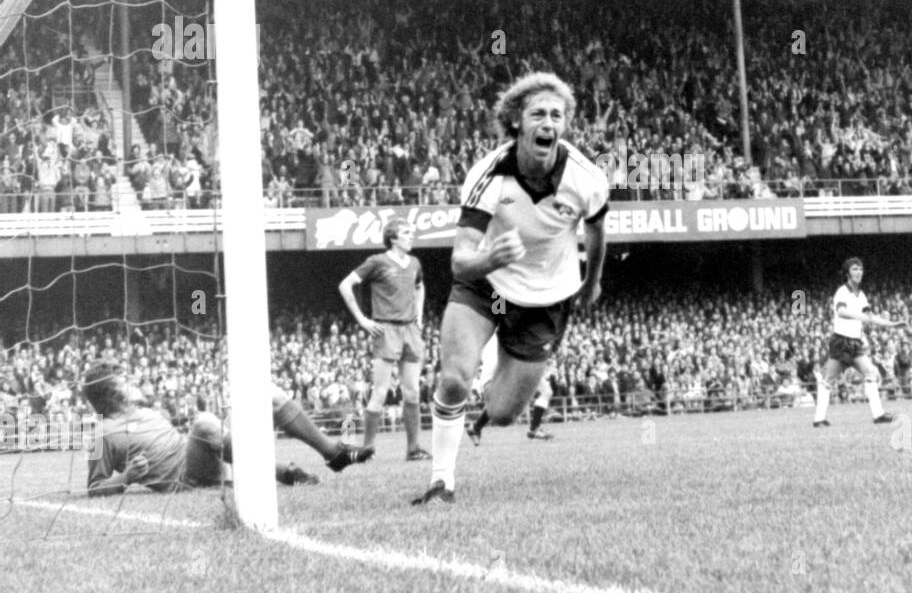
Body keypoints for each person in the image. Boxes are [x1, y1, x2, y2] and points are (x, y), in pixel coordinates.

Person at [413, 73, 608, 506]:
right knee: (453, 378)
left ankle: (490, 379)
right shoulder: (487, 174)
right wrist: (490, 259)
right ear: (516, 122)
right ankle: (441, 480)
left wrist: (592, 282)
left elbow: (596, 234)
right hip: (489, 286)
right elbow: (460, 258)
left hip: (546, 298)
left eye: (557, 115)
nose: (548, 122)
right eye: (538, 113)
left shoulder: (587, 177)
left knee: (501, 413)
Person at [80, 358, 373, 495]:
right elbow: (94, 488)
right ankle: (283, 472)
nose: (133, 381)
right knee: (204, 422)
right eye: (124, 379)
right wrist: (128, 477)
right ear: (111, 393)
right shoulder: (99, 435)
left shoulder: (143, 409)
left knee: (266, 393)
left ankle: (333, 452)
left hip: (212, 458)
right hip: (186, 479)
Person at [337, 218, 430, 460]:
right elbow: (345, 285)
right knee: (380, 391)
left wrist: (419, 313)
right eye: (407, 232)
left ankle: (413, 449)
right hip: (386, 330)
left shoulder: (415, 263)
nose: (412, 235)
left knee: (412, 392)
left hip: (410, 330)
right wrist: (362, 319)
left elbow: (420, 286)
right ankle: (367, 448)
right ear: (393, 238)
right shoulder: (377, 262)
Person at [814, 257, 905, 427]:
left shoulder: (861, 295)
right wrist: (860, 317)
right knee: (829, 380)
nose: (859, 272)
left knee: (871, 373)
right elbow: (841, 311)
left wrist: (892, 324)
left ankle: (878, 415)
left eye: (860, 269)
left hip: (855, 343)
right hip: (841, 342)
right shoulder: (842, 291)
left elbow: (870, 318)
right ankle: (819, 419)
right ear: (847, 273)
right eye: (855, 269)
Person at [465, 333, 556, 445]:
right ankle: (476, 427)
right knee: (497, 400)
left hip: (515, 355)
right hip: (504, 356)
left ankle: (534, 428)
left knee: (546, 391)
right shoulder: (498, 331)